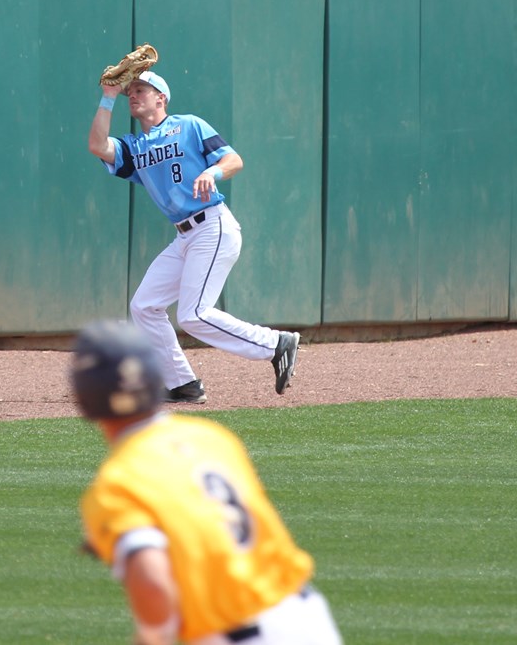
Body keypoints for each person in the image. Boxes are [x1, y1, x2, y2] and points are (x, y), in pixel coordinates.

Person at [70, 319, 343, 645]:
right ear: (156, 379)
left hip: (236, 634)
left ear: (84, 401)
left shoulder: (116, 484)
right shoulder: (212, 437)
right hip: (309, 620)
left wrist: (152, 636)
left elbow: (153, 582)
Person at [89, 69, 299, 404]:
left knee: (194, 314)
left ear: (161, 97)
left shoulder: (188, 125)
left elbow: (234, 160)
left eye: (141, 89)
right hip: (184, 237)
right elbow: (98, 145)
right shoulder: (135, 146)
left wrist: (212, 171)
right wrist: (108, 96)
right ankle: (183, 384)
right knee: (144, 306)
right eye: (131, 91)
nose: (134, 94)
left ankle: (274, 344)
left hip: (212, 226)